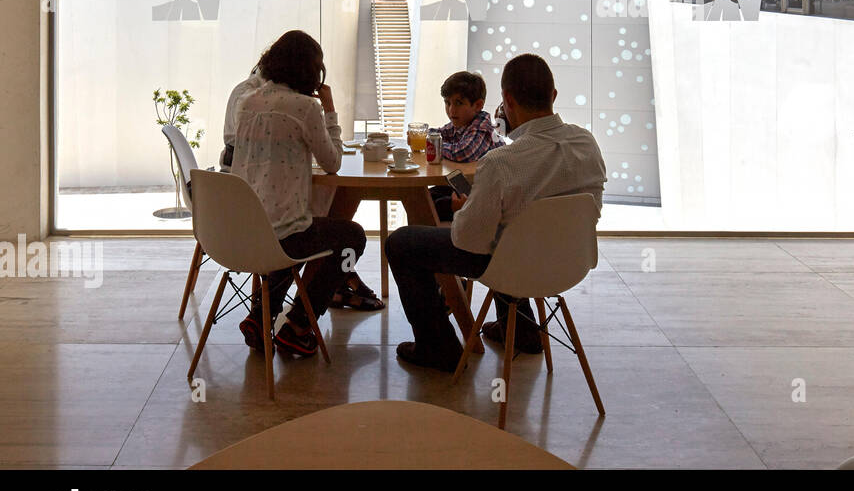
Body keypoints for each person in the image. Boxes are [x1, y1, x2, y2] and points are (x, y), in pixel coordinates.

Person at [386, 54, 606, 371]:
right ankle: (524, 332)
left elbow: (468, 240)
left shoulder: (501, 162)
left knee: (402, 243)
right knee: (510, 227)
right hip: (571, 261)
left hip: (515, 263)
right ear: (553, 95)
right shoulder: (588, 143)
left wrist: (465, 210)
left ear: (507, 100)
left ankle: (438, 349)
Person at [231, 30, 368, 356]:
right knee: (351, 237)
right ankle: (300, 324)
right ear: (311, 71)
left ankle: (261, 316)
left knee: (284, 223)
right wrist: (330, 110)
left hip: (241, 232)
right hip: (282, 236)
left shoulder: (247, 102)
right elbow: (333, 162)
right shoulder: (305, 107)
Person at [428, 70, 504, 223]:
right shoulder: (461, 122)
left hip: (485, 198)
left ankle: (430, 241)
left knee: (432, 205)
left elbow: (463, 152)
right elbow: (436, 133)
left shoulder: (481, 127)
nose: (451, 110)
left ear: (477, 105)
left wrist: (436, 145)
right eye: (447, 103)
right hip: (467, 185)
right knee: (425, 196)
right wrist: (426, 136)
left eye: (458, 103)